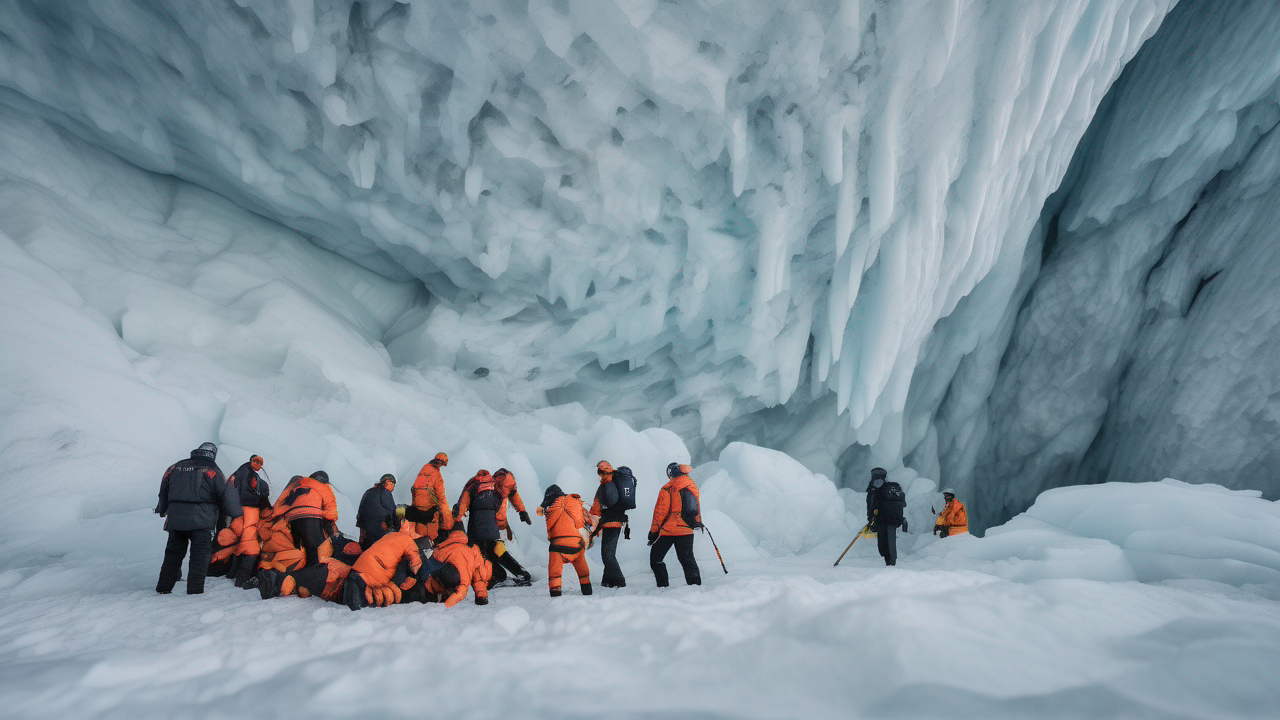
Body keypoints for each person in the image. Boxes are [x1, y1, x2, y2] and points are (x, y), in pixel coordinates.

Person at [154, 442, 243, 595]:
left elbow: (164, 490)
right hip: (202, 521)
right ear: (213, 454)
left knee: (172, 554)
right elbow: (224, 496)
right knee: (199, 557)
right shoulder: (214, 471)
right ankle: (194, 591)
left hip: (176, 519)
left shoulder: (175, 467)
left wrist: (162, 510)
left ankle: (163, 588)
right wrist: (235, 514)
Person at [457, 469, 532, 587]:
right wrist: (522, 512)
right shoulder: (495, 487)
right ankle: (518, 573)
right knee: (496, 551)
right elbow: (512, 495)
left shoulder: (478, 485)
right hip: (493, 527)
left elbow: (463, 505)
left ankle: (499, 576)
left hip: (484, 527)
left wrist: (456, 518)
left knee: (485, 554)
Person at [648, 462, 701, 587]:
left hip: (669, 530)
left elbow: (660, 512)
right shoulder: (691, 486)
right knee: (687, 559)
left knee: (656, 559)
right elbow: (696, 508)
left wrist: (653, 532)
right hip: (687, 530)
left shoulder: (668, 488)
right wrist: (696, 522)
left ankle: (663, 587)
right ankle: (696, 587)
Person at [344, 525, 424, 608]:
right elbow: (415, 563)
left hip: (357, 568)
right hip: (371, 578)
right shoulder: (411, 544)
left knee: (349, 612)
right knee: (363, 611)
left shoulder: (391, 535)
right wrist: (412, 578)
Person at [537, 484, 592, 597]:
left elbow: (548, 526)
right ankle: (587, 589)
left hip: (558, 546)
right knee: (582, 567)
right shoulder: (575, 502)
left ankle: (555, 591)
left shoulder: (549, 507)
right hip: (577, 544)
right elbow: (586, 520)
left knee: (555, 570)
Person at [227, 455, 271, 587]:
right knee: (251, 545)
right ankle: (242, 579)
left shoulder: (239, 472)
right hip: (248, 510)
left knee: (240, 543)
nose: (259, 464)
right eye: (256, 461)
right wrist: (259, 500)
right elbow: (246, 492)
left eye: (261, 462)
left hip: (237, 511)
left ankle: (232, 573)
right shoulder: (248, 473)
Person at [422, 528, 492, 607]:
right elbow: (477, 576)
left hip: (435, 580)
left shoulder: (442, 546)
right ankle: (443, 596)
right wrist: (481, 595)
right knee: (458, 583)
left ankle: (433, 595)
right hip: (454, 579)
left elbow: (433, 567)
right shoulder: (472, 549)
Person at [282, 471, 339, 567]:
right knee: (316, 549)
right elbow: (331, 509)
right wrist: (331, 524)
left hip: (291, 520)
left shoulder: (299, 485)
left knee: (297, 550)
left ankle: (293, 573)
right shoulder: (323, 487)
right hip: (311, 518)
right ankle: (312, 575)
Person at [589, 460, 628, 588]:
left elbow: (599, 506)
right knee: (608, 552)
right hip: (615, 521)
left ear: (601, 472)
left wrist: (591, 520)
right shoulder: (614, 481)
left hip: (611, 522)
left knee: (607, 554)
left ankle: (619, 580)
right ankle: (607, 580)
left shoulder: (607, 483)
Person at [492, 468, 534, 583]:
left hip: (498, 525)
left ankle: (515, 573)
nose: (508, 491)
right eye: (507, 488)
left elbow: (514, 494)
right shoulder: (491, 490)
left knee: (496, 550)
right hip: (492, 525)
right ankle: (514, 573)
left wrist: (522, 511)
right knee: (494, 550)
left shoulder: (503, 487)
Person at [407, 452, 453, 541]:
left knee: (419, 540)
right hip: (430, 514)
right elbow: (441, 498)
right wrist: (448, 523)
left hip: (417, 511)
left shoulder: (424, 470)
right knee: (430, 540)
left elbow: (415, 490)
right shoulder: (436, 476)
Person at [867, 468, 907, 566]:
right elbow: (903, 503)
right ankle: (891, 562)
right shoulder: (891, 488)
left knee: (884, 543)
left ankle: (889, 562)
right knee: (890, 542)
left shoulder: (875, 488)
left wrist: (871, 518)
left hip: (882, 519)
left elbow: (872, 504)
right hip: (893, 519)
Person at [356, 474, 397, 550]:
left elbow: (360, 511)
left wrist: (362, 530)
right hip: (380, 530)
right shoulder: (385, 492)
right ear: (388, 482)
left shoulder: (368, 491)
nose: (393, 487)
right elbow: (393, 511)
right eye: (393, 484)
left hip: (366, 530)